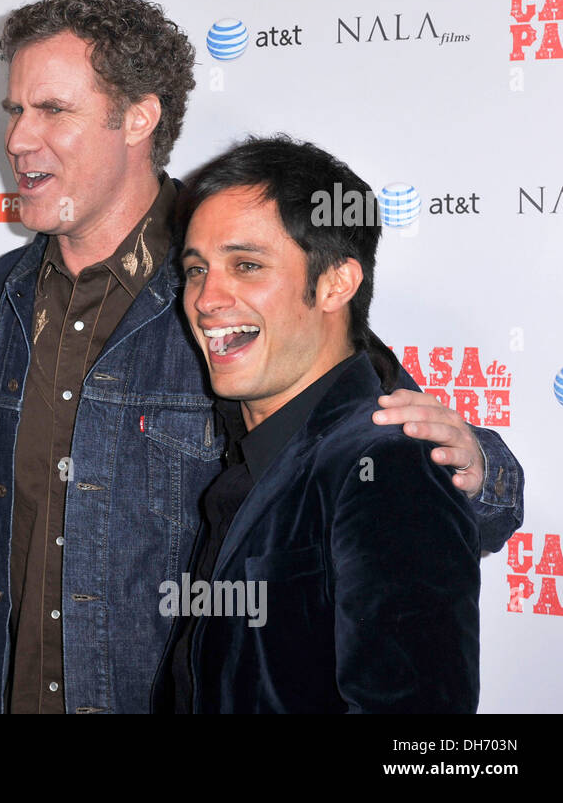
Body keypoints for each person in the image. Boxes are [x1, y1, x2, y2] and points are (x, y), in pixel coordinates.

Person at [0, 0, 522, 714]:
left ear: (139, 117)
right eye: (14, 110)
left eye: (52, 111)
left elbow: (382, 450)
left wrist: (476, 468)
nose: (17, 139)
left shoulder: (236, 298)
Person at [153, 135, 480, 712]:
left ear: (336, 284)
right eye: (196, 269)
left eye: (246, 265)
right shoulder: (253, 449)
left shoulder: (389, 463)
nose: (206, 298)